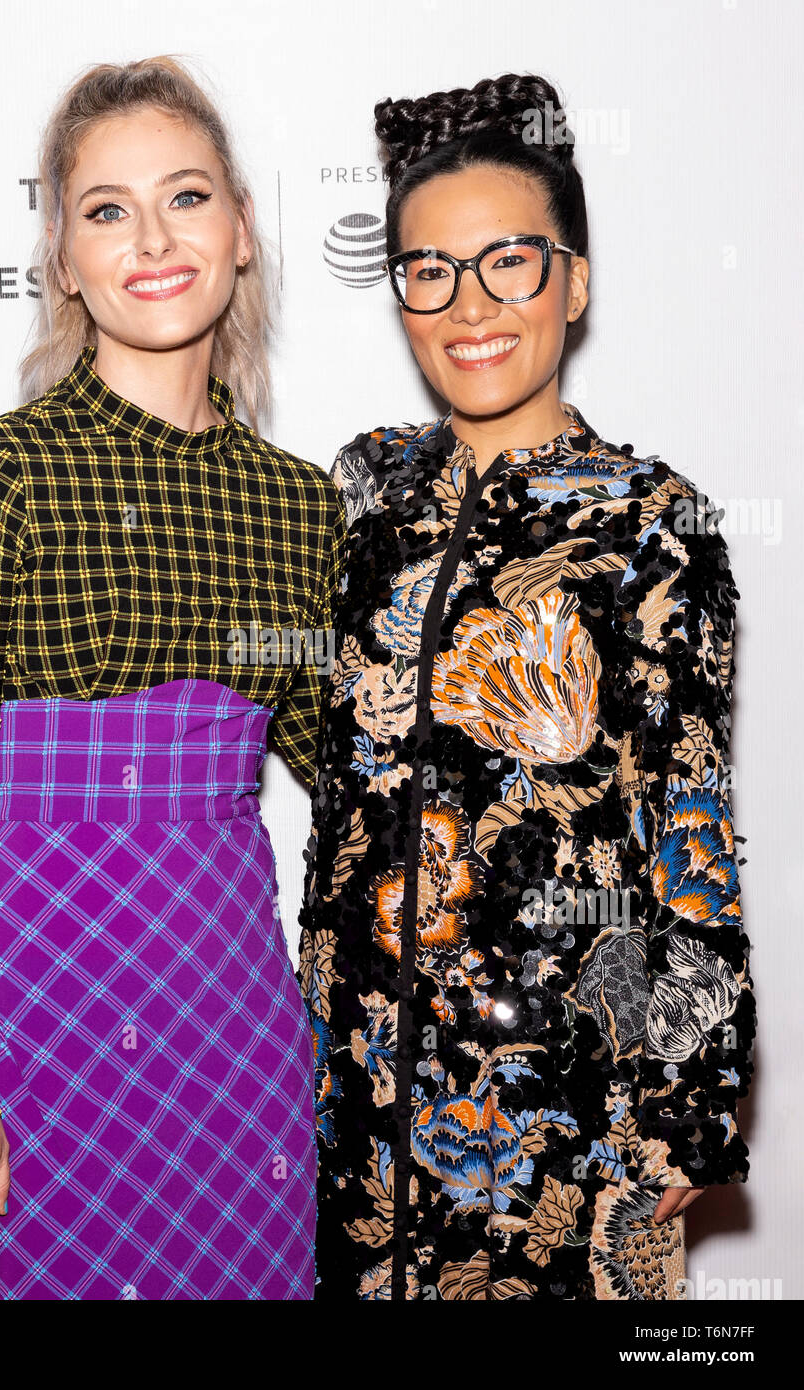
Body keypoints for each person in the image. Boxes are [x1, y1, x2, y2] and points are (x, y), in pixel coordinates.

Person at [0, 56, 344, 1300]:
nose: (151, 238)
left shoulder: (299, 507)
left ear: (242, 231)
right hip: (41, 1042)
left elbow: (354, 778)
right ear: (63, 255)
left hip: (239, 1041)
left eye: (186, 198)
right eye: (106, 209)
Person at [297, 71, 755, 1301]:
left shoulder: (652, 521)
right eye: (428, 271)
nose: (468, 306)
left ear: (576, 278)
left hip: (571, 1112)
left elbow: (690, 821)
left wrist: (685, 1104)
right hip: (355, 1103)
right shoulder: (363, 495)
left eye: (510, 262)